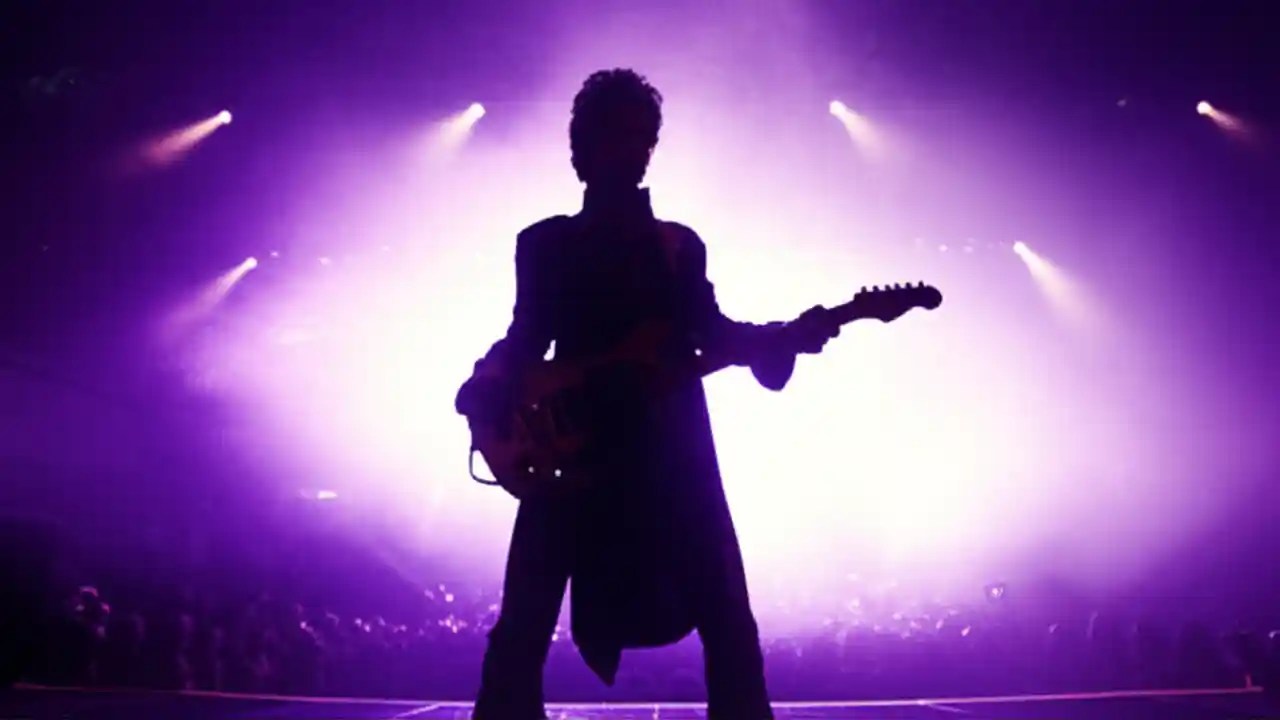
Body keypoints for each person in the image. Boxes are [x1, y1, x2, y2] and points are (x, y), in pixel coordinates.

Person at [456, 68, 839, 720]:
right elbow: (526, 338)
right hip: (578, 449)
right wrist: (487, 383)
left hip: (666, 450)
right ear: (583, 149)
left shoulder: (678, 247)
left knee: (725, 616)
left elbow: (712, 332)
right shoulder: (546, 245)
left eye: (641, 137)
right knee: (526, 621)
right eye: (617, 135)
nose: (632, 151)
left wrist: (783, 339)